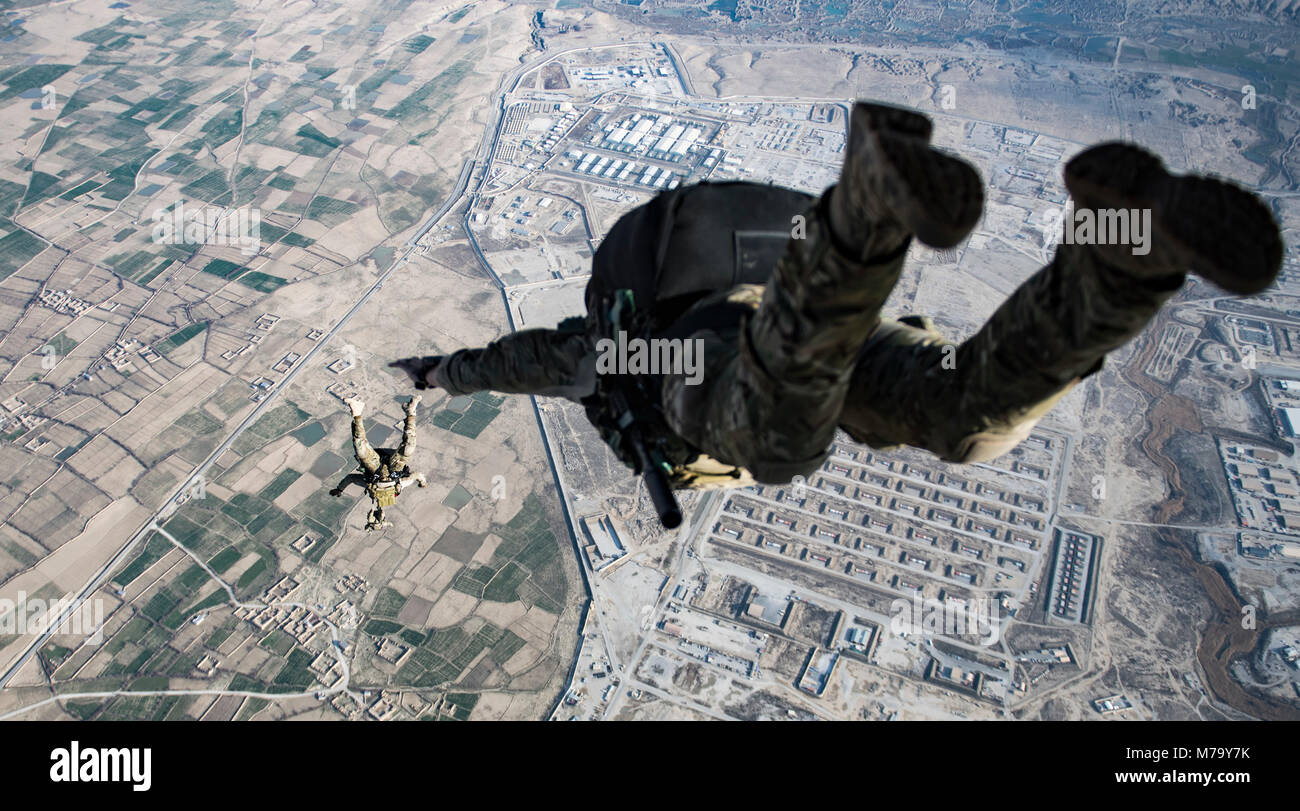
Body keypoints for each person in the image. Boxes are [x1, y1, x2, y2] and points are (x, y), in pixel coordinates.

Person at [391, 101, 1283, 492]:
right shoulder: (622, 346)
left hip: (699, 358)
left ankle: (865, 214)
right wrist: (450, 374)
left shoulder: (625, 351)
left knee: (782, 442)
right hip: (792, 339)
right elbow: (529, 360)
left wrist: (441, 374)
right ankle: (1126, 250)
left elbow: (537, 360)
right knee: (964, 422)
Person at [329, 395, 427, 530]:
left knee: (360, 449)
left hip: (375, 467)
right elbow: (417, 475)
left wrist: (340, 489)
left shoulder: (371, 486)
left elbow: (351, 478)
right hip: (393, 464)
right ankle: (410, 413)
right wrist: (422, 482)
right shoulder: (400, 485)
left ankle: (357, 413)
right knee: (409, 447)